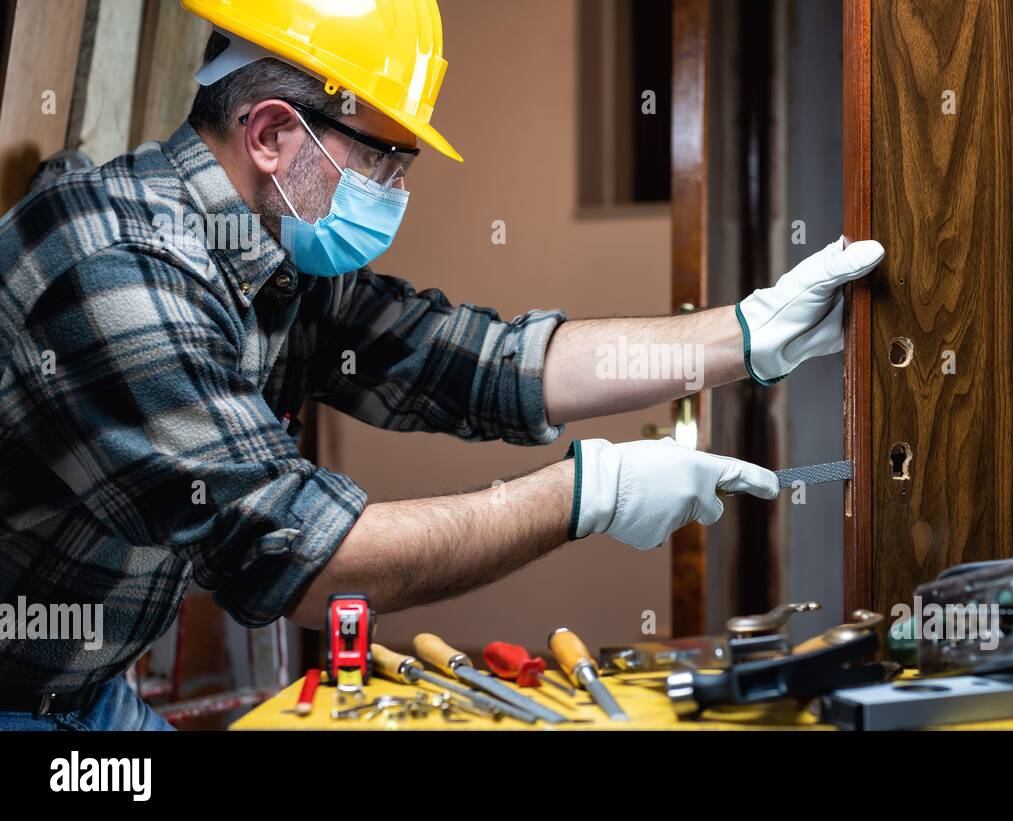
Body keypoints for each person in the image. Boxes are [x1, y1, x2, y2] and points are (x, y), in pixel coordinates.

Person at [0, 0, 884, 729]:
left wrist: (749, 334)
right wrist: (587, 493)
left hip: (90, 690)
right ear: (272, 134)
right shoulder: (111, 267)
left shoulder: (262, 246)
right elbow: (314, 563)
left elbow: (482, 364)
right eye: (381, 155)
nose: (395, 186)